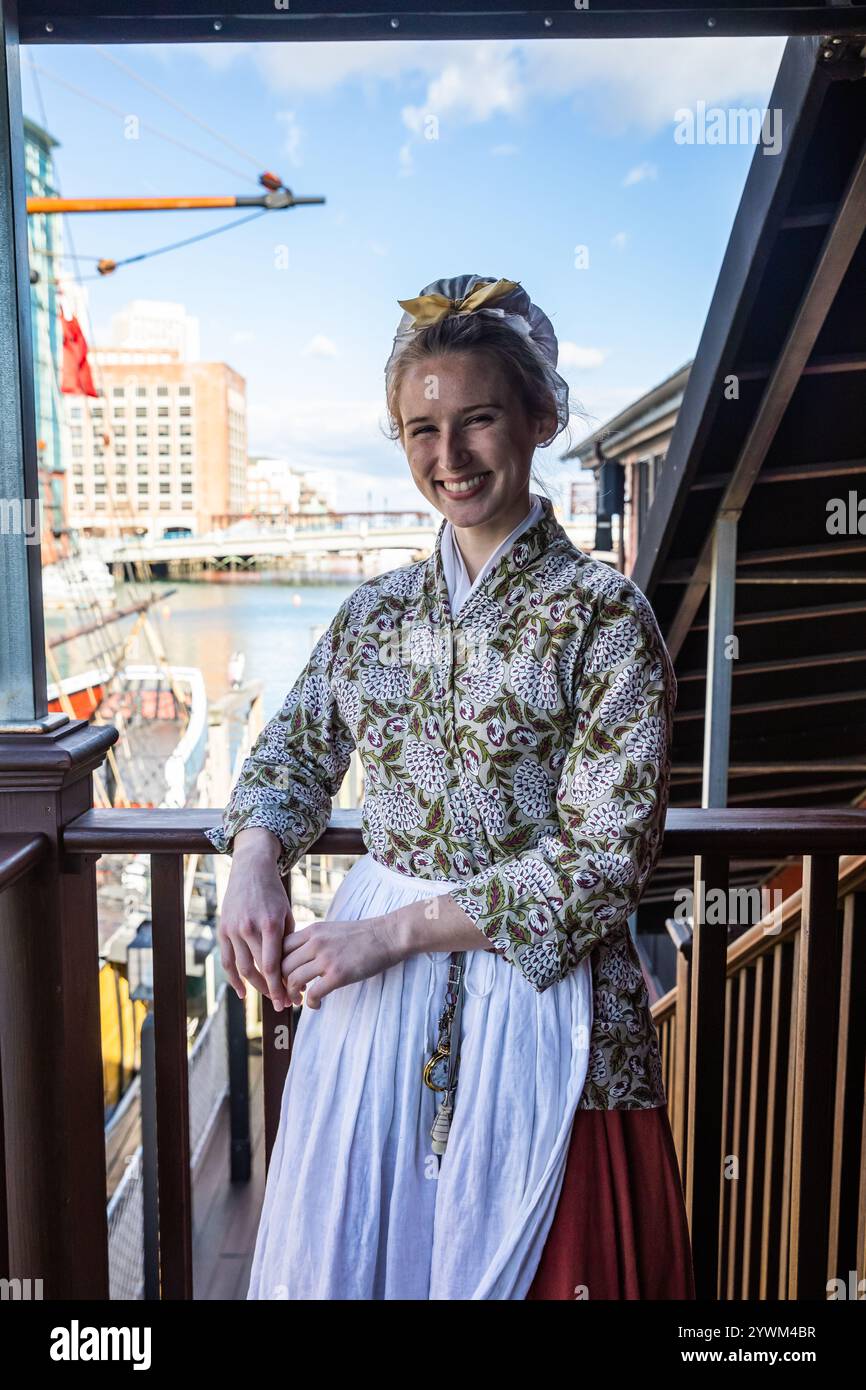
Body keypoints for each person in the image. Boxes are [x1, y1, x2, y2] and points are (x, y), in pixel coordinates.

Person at [204, 274, 695, 1300]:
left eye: (477, 419)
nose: (450, 456)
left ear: (539, 417)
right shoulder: (374, 613)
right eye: (421, 429)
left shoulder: (604, 619)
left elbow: (603, 865)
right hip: (372, 1012)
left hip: (544, 1002)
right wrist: (254, 858)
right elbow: (290, 757)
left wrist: (386, 934)